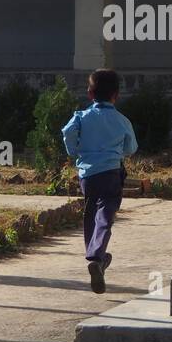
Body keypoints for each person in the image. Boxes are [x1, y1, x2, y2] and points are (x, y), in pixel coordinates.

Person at [61, 68, 138, 294]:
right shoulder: (122, 120)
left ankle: (97, 257)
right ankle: (97, 256)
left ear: (90, 94)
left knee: (90, 214)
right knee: (105, 216)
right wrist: (118, 152)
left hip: (87, 175)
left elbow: (67, 132)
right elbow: (131, 147)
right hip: (111, 173)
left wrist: (75, 151)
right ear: (116, 95)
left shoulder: (81, 117)